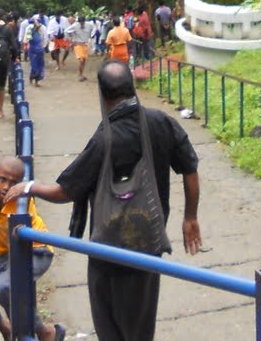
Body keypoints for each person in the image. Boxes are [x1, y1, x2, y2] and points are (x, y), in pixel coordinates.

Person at [18, 60, 201, 341]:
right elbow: (190, 168)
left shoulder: (105, 138)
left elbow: (66, 190)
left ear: (102, 94)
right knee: (140, 327)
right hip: (147, 245)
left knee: (109, 326)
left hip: (108, 250)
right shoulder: (161, 122)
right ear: (133, 87)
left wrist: (29, 186)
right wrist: (190, 217)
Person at [0, 156, 65, 341]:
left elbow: (22, 238)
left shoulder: (21, 200)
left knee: (6, 287)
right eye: (2, 179)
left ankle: (41, 332)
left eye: (14, 182)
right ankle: (6, 329)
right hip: (10, 253)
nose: (7, 187)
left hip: (36, 250)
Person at [69, 14, 91, 82]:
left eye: (83, 22)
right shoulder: (75, 26)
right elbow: (66, 31)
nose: (81, 23)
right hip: (78, 44)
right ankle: (79, 75)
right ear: (78, 22)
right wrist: (71, 41)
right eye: (80, 22)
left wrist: (90, 38)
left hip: (85, 44)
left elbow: (93, 30)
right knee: (81, 60)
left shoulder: (89, 25)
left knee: (84, 60)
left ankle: (82, 74)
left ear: (84, 21)